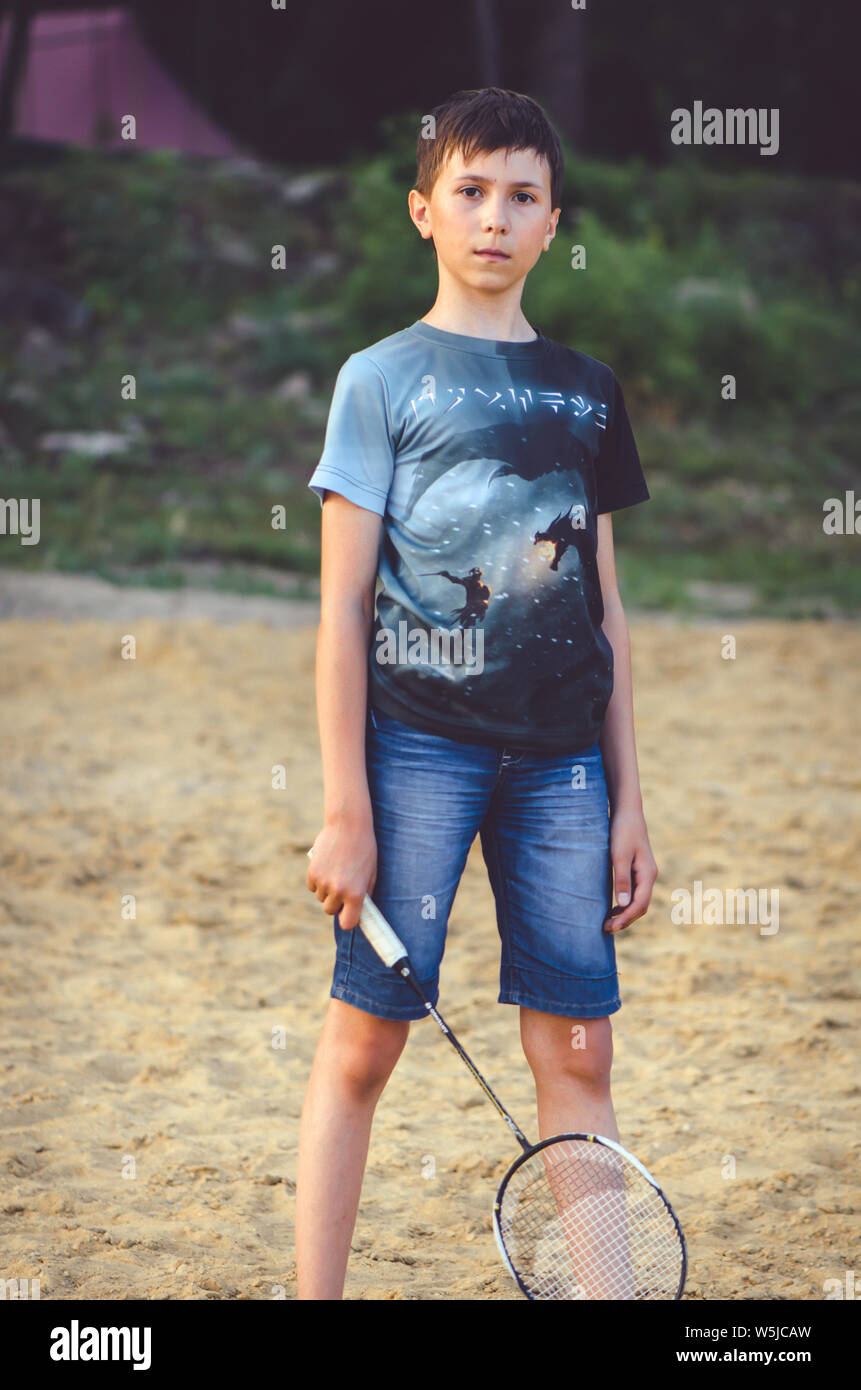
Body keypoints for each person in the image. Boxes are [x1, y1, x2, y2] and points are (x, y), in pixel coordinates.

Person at [298, 86, 658, 1300]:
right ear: (424, 211)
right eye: (470, 191)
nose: (494, 217)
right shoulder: (379, 379)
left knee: (580, 1046)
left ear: (555, 222)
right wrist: (347, 802)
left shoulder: (588, 390)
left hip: (563, 768)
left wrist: (627, 799)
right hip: (417, 756)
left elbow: (604, 610)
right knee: (364, 1047)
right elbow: (343, 608)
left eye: (521, 196)